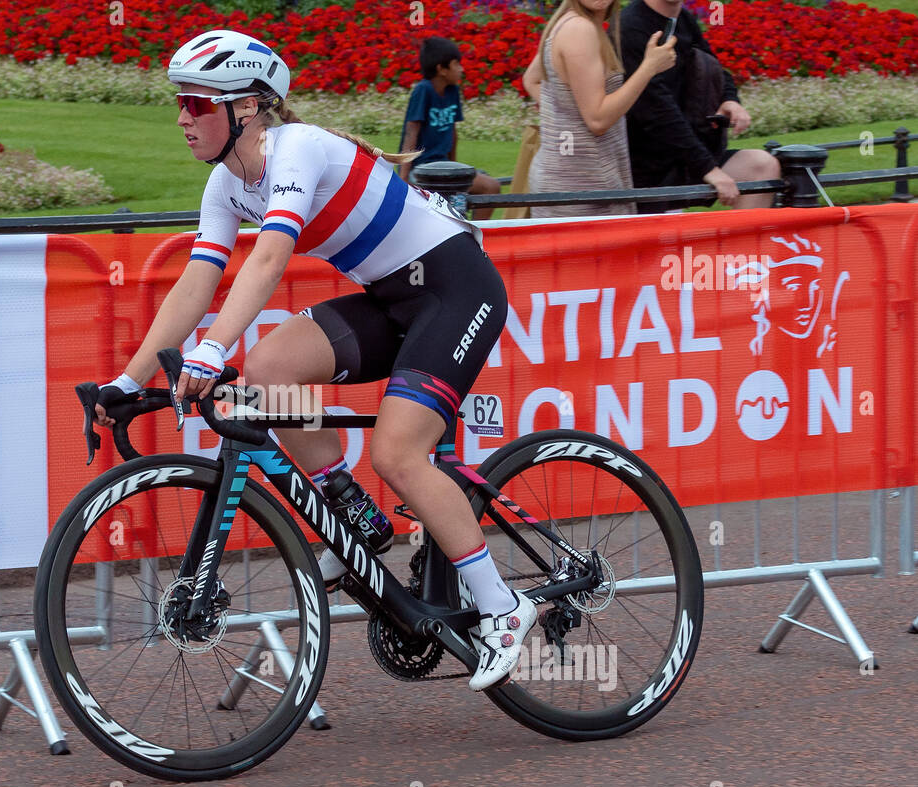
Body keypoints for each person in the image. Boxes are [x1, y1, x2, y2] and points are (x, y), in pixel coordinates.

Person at [94, 29, 533, 691]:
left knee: (400, 453)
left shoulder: (294, 149)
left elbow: (269, 257)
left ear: (248, 108)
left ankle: (503, 607)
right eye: (180, 104)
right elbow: (197, 281)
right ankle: (356, 518)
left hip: (454, 288)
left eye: (198, 105)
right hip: (391, 297)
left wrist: (212, 351)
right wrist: (128, 380)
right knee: (267, 376)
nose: (183, 118)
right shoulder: (225, 185)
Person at [619, 0, 780, 212]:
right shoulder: (632, 25)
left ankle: (741, 245)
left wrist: (729, 99)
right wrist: (708, 168)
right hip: (644, 171)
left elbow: (711, 65)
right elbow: (655, 112)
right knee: (669, 242)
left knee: (761, 166)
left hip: (682, 157)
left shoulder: (683, 19)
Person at [521, 0, 677, 217]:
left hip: (571, 178)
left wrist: (567, 116)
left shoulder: (569, 22)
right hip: (582, 184)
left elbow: (532, 79)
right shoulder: (579, 29)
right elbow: (598, 120)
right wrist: (649, 68)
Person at [398, 36, 502, 215]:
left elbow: (452, 132)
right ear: (442, 69)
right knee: (491, 187)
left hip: (444, 169)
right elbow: (411, 132)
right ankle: (474, 237)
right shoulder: (424, 90)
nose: (462, 69)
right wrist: (404, 178)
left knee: (474, 193)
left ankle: (469, 233)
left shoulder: (452, 91)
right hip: (422, 170)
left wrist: (455, 167)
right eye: (457, 64)